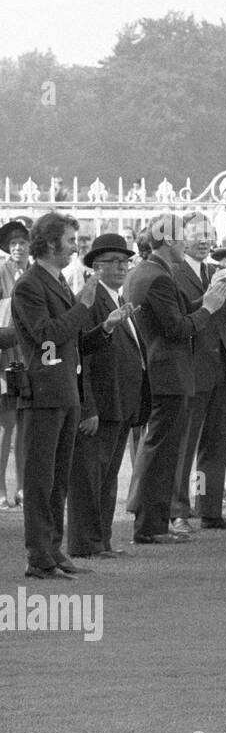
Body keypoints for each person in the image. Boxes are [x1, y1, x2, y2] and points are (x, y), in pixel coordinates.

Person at [10, 212, 114, 578]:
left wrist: (103, 329)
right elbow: (48, 335)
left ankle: (52, 550)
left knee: (58, 478)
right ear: (51, 243)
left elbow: (71, 341)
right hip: (43, 393)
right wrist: (84, 306)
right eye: (71, 240)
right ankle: (39, 556)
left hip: (64, 391)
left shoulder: (55, 283)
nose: (76, 246)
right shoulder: (29, 285)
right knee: (41, 481)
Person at [123, 215, 226, 545]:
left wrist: (211, 297)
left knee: (163, 452)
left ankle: (155, 523)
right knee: (160, 453)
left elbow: (182, 313)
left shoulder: (150, 272)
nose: (187, 244)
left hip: (165, 374)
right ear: (168, 241)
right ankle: (149, 525)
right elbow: (179, 328)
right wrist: (210, 307)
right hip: (167, 375)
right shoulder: (157, 276)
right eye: (182, 238)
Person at [168, 212, 226, 534]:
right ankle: (178, 511)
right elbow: (181, 316)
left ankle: (209, 509)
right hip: (191, 370)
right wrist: (210, 294)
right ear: (182, 238)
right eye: (197, 233)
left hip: (221, 371)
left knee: (214, 446)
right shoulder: (173, 274)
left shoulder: (217, 271)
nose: (204, 240)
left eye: (208, 233)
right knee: (185, 445)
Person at [67, 233, 145, 559]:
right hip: (101, 401)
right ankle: (86, 543)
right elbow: (79, 350)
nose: (121, 266)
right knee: (90, 477)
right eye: (112, 261)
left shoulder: (115, 297)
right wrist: (88, 406)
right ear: (95, 267)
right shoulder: (90, 297)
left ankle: (102, 540)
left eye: (124, 261)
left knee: (107, 476)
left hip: (121, 401)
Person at [0, 220, 31, 509]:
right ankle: (1, 490)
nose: (19, 247)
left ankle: (22, 487)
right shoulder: (1, 272)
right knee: (5, 425)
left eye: (23, 242)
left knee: (25, 425)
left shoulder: (34, 273)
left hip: (29, 356)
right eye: (13, 243)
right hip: (5, 354)